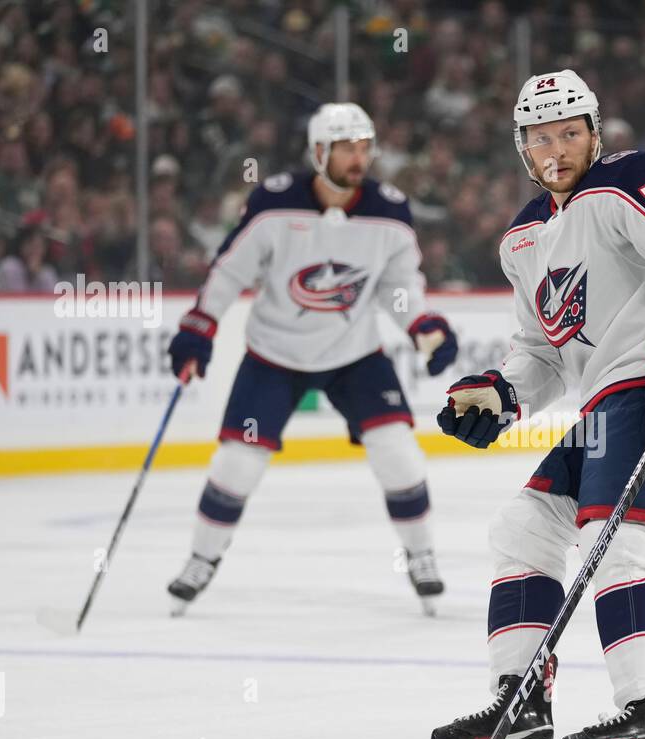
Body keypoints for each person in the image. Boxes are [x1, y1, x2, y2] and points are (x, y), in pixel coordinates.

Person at [424, 71, 645, 739]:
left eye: (570, 132)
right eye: (541, 137)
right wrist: (501, 393)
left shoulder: (630, 180)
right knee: (524, 530)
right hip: (605, 406)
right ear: (521, 145)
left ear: (594, 133)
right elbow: (541, 350)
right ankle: (519, 715)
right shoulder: (523, 240)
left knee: (621, 542)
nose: (557, 148)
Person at [165, 103, 458, 616]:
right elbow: (230, 271)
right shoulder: (275, 202)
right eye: (347, 147)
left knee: (398, 452)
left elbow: (398, 286)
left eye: (365, 147)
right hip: (274, 354)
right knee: (238, 463)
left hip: (355, 354)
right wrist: (199, 327)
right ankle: (201, 558)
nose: (358, 158)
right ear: (319, 151)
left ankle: (421, 555)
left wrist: (421, 326)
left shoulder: (388, 210)